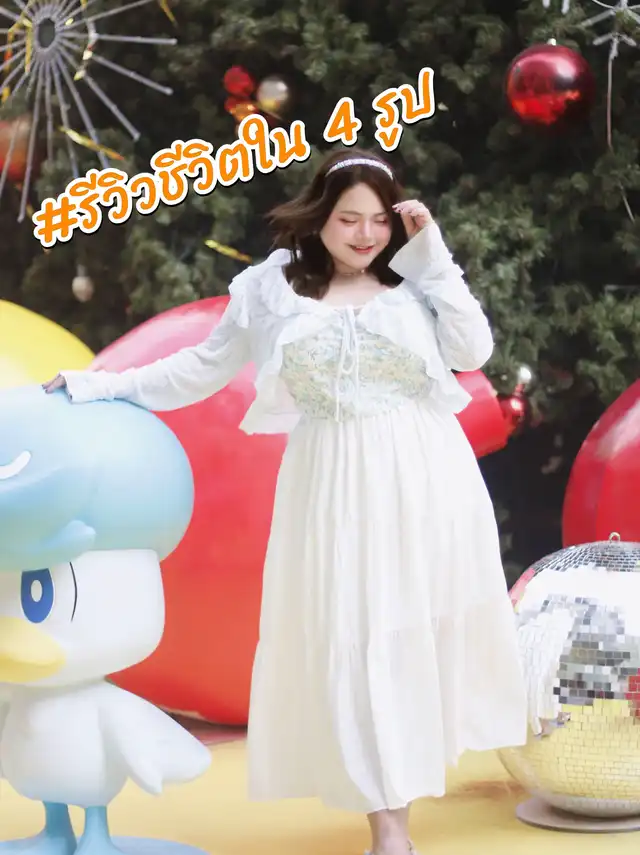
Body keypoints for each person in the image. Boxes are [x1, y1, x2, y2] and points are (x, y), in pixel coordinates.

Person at [44, 147, 528, 855]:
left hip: (426, 480)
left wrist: (432, 254)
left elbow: (473, 349)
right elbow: (200, 368)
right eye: (348, 218)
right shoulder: (270, 289)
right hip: (331, 482)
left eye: (377, 220)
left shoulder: (416, 281)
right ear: (320, 217)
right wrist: (99, 384)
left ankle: (397, 816)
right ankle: (388, 826)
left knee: (407, 636)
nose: (364, 234)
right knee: (356, 637)